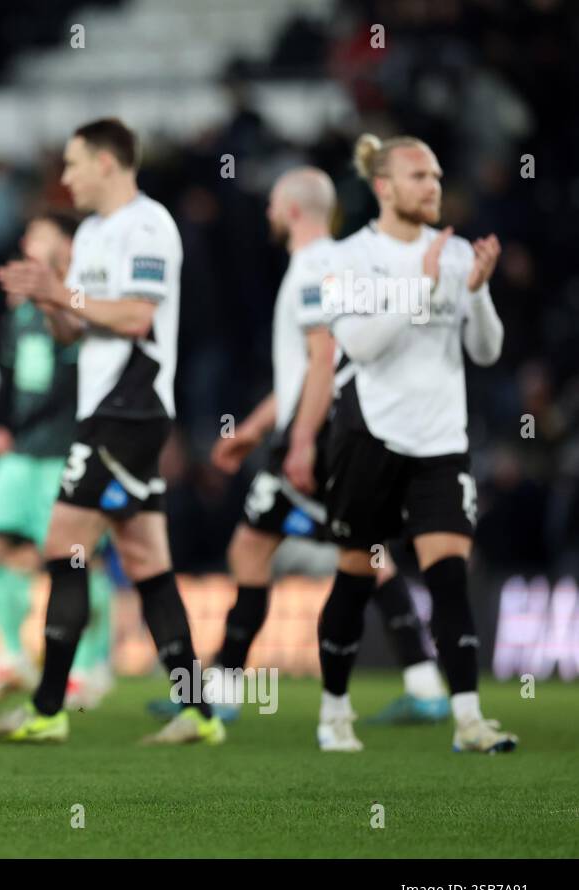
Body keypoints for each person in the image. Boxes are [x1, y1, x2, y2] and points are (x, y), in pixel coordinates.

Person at [152, 166, 449, 724]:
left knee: (278, 551)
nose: (266, 213)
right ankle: (424, 681)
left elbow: (323, 358)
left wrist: (302, 441)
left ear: (291, 211)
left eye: (271, 205)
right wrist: (257, 428)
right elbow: (309, 371)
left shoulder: (314, 267)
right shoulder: (339, 263)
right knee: (344, 553)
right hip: (339, 428)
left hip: (324, 433)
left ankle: (224, 691)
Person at [0, 118, 221, 746]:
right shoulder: (94, 236)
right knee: (146, 561)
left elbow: (138, 317)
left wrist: (64, 293)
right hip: (107, 408)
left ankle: (49, 709)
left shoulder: (148, 225)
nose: (66, 177)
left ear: (108, 163)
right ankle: (199, 712)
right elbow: (75, 334)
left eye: (75, 164)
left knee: (61, 545)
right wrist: (49, 302)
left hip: (129, 408)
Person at [314, 133, 515, 753]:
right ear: (384, 188)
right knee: (355, 574)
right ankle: (334, 709)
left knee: (448, 574)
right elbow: (361, 346)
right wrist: (421, 290)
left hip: (439, 441)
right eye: (419, 176)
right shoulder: (346, 258)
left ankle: (468, 719)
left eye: (435, 175)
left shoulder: (454, 256)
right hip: (371, 436)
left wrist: (475, 291)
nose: (433, 186)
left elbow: (487, 350)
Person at [0, 211, 115, 710]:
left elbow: (78, 382)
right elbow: (13, 385)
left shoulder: (86, 301)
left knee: (74, 559)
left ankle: (91, 666)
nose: (27, 239)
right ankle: (12, 655)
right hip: (23, 454)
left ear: (67, 245)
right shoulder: (21, 313)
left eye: (39, 234)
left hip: (67, 452)